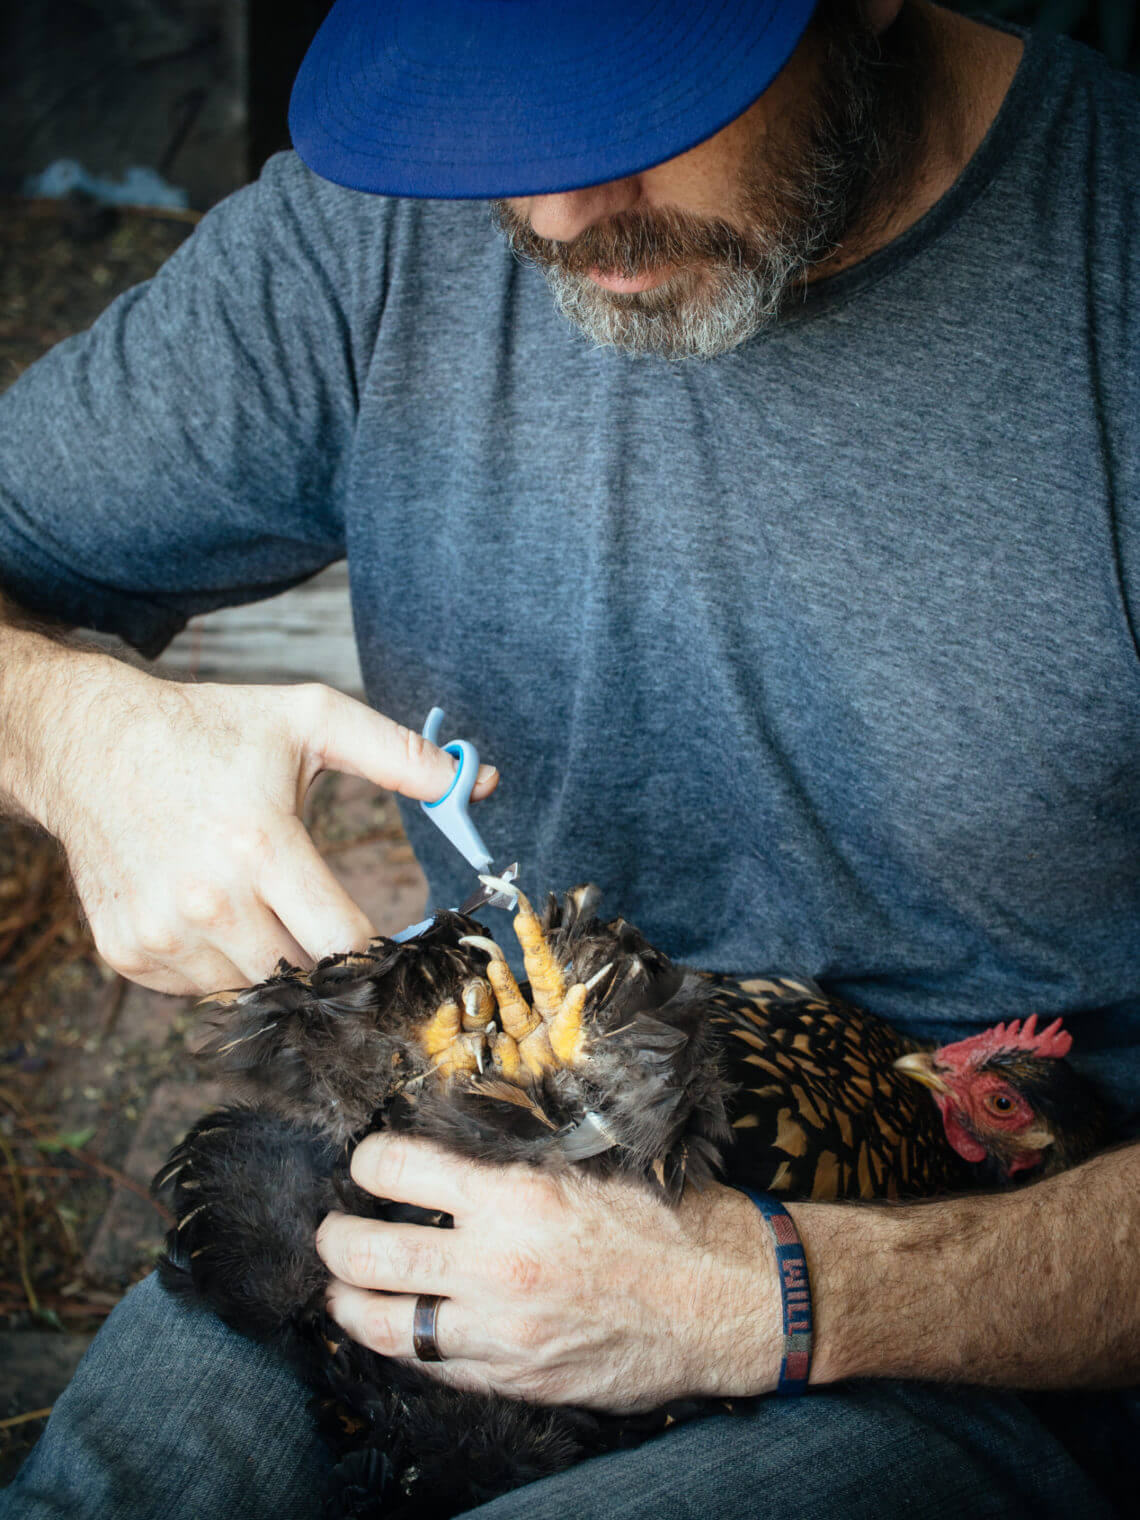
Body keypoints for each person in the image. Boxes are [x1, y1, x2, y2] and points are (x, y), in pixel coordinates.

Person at [1, 0, 1138, 1514]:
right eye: (497, 128)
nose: (547, 215)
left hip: (969, 1273)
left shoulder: (1109, 289)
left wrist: (785, 1299)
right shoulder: (386, 234)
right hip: (467, 1122)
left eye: (635, 110)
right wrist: (79, 735)